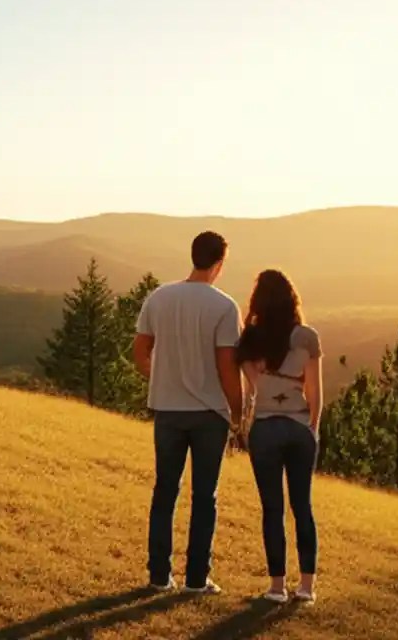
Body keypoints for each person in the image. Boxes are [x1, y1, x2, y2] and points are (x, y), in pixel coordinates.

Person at [133, 231, 244, 594]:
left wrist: (163, 377)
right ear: (219, 263)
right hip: (209, 413)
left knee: (165, 491)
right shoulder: (224, 306)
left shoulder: (159, 297)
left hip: (167, 409)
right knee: (204, 497)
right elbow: (228, 366)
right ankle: (197, 579)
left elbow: (139, 352)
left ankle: (158, 575)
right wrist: (239, 413)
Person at [235, 269, 322, 604]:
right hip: (299, 427)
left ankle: (276, 588)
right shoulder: (306, 337)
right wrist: (312, 427)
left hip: (266, 428)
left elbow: (251, 392)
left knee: (272, 509)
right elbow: (315, 392)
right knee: (303, 506)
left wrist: (243, 426)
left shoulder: (250, 340)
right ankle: (306, 587)